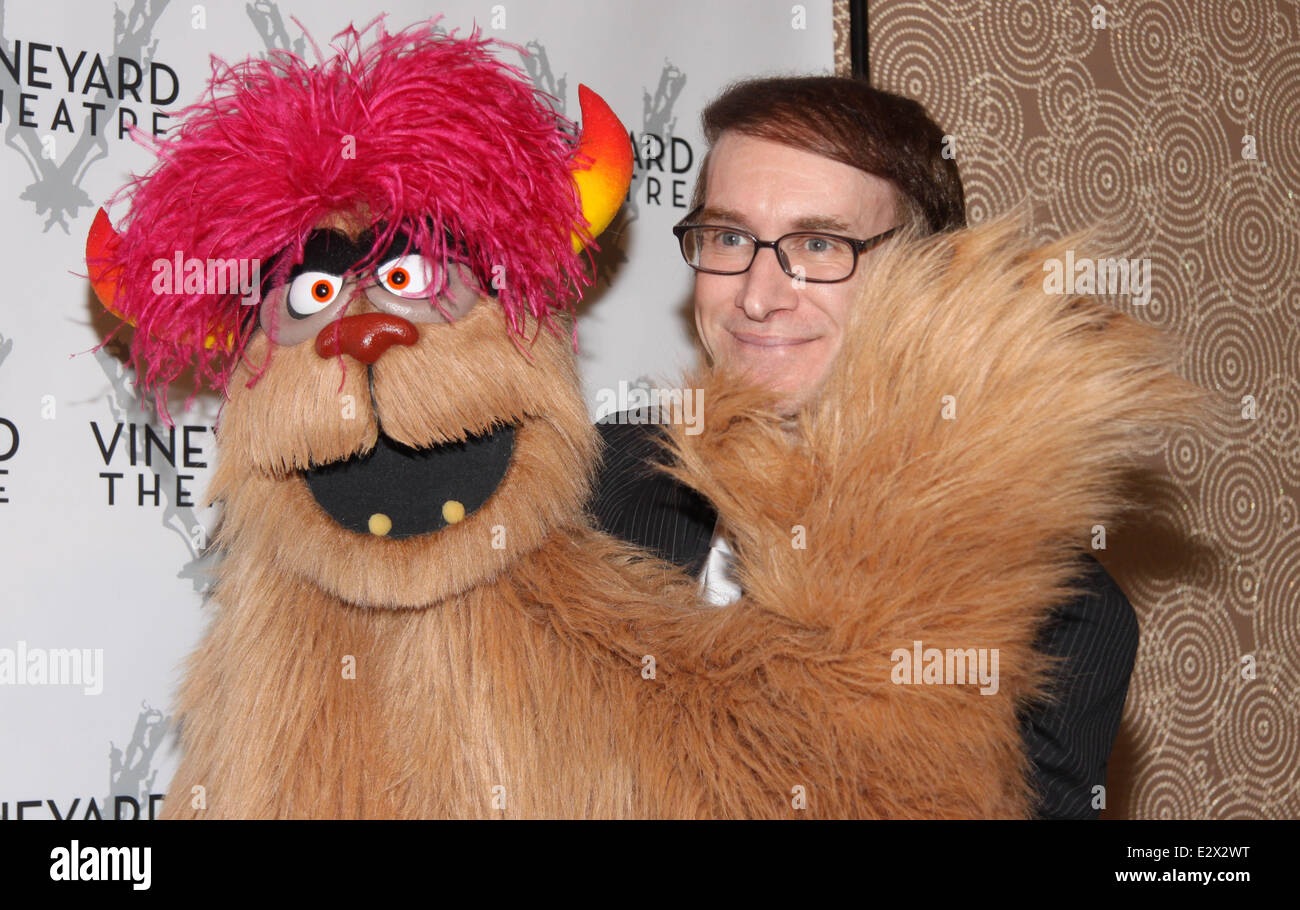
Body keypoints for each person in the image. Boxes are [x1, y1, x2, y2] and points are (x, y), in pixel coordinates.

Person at [590, 76, 1138, 819]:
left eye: (818, 245)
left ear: (930, 280)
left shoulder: (1055, 614)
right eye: (728, 238)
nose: (757, 294)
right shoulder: (583, 486)